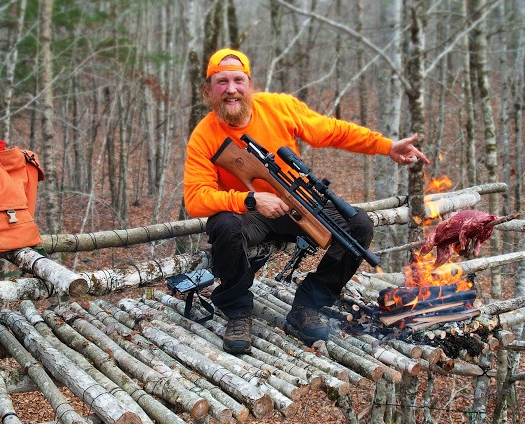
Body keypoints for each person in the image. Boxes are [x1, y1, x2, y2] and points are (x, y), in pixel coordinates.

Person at [183, 48, 429, 354]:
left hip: (297, 203)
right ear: (209, 91)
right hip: (249, 215)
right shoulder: (204, 135)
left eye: (238, 80)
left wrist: (386, 145)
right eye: (222, 82)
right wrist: (249, 200)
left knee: (358, 227)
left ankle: (307, 306)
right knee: (223, 225)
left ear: (250, 84)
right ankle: (236, 310)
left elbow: (332, 131)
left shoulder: (280, 108)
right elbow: (195, 198)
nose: (231, 90)